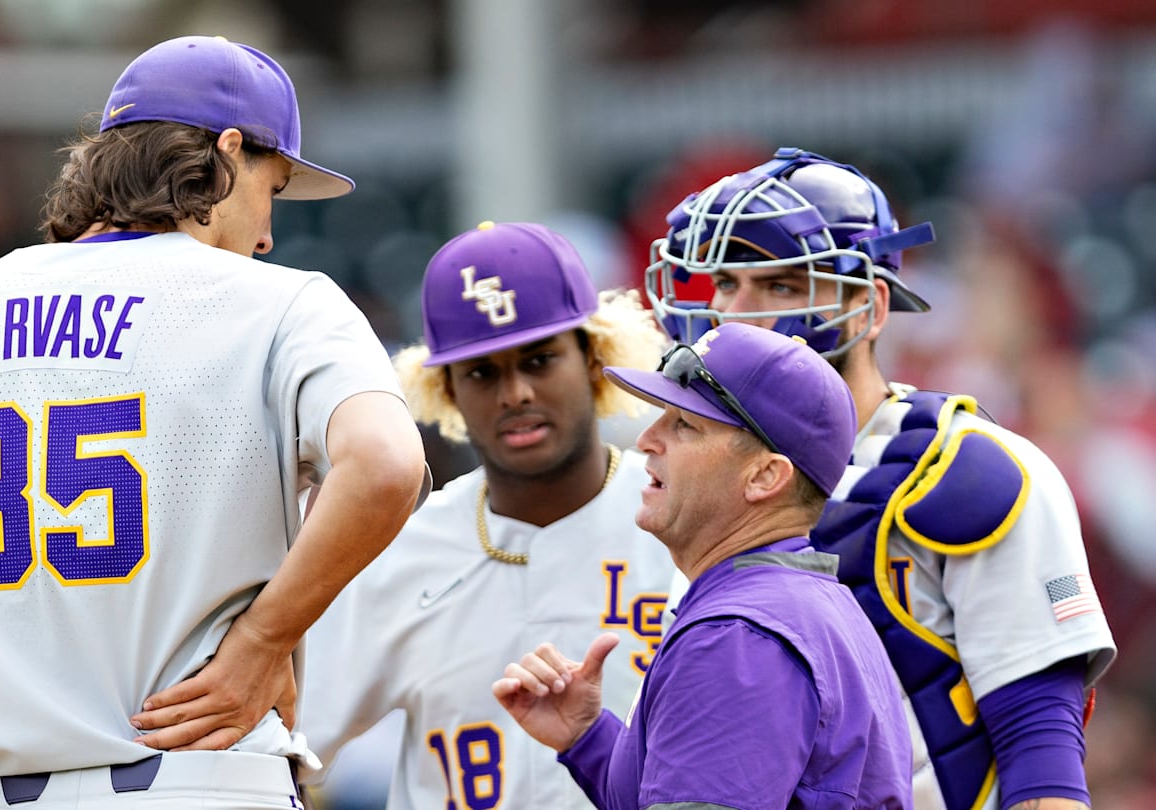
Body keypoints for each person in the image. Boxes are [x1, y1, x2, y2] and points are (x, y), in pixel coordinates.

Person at [0, 35, 428, 809]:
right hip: (202, 779)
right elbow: (387, 464)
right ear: (228, 153)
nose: (268, 232)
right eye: (271, 189)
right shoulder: (282, 301)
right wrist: (263, 640)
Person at [644, 146, 1116, 810]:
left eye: (780, 285)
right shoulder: (686, 477)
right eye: (725, 284)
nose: (738, 312)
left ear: (867, 307)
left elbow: (1039, 740)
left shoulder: (965, 472)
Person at [295, 220, 680, 810]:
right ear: (445, 388)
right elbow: (286, 749)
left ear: (595, 357)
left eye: (540, 359)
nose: (516, 392)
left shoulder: (680, 522)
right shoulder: (399, 546)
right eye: (482, 372)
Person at [494, 322, 913, 809]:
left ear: (764, 476)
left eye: (684, 424)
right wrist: (586, 737)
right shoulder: (804, 603)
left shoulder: (737, 637)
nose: (646, 440)